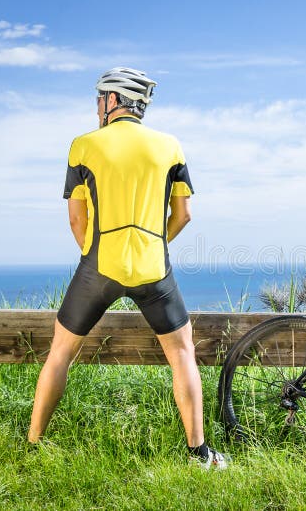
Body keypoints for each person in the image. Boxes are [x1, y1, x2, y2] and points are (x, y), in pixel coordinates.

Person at [28, 67, 227, 469]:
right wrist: (151, 244)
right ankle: (199, 453)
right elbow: (184, 214)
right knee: (183, 353)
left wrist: (97, 257)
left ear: (113, 100)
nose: (95, 106)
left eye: (99, 98)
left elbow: (76, 220)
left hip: (98, 266)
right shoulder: (170, 146)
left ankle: (32, 445)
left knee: (60, 354)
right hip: (154, 268)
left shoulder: (83, 145)